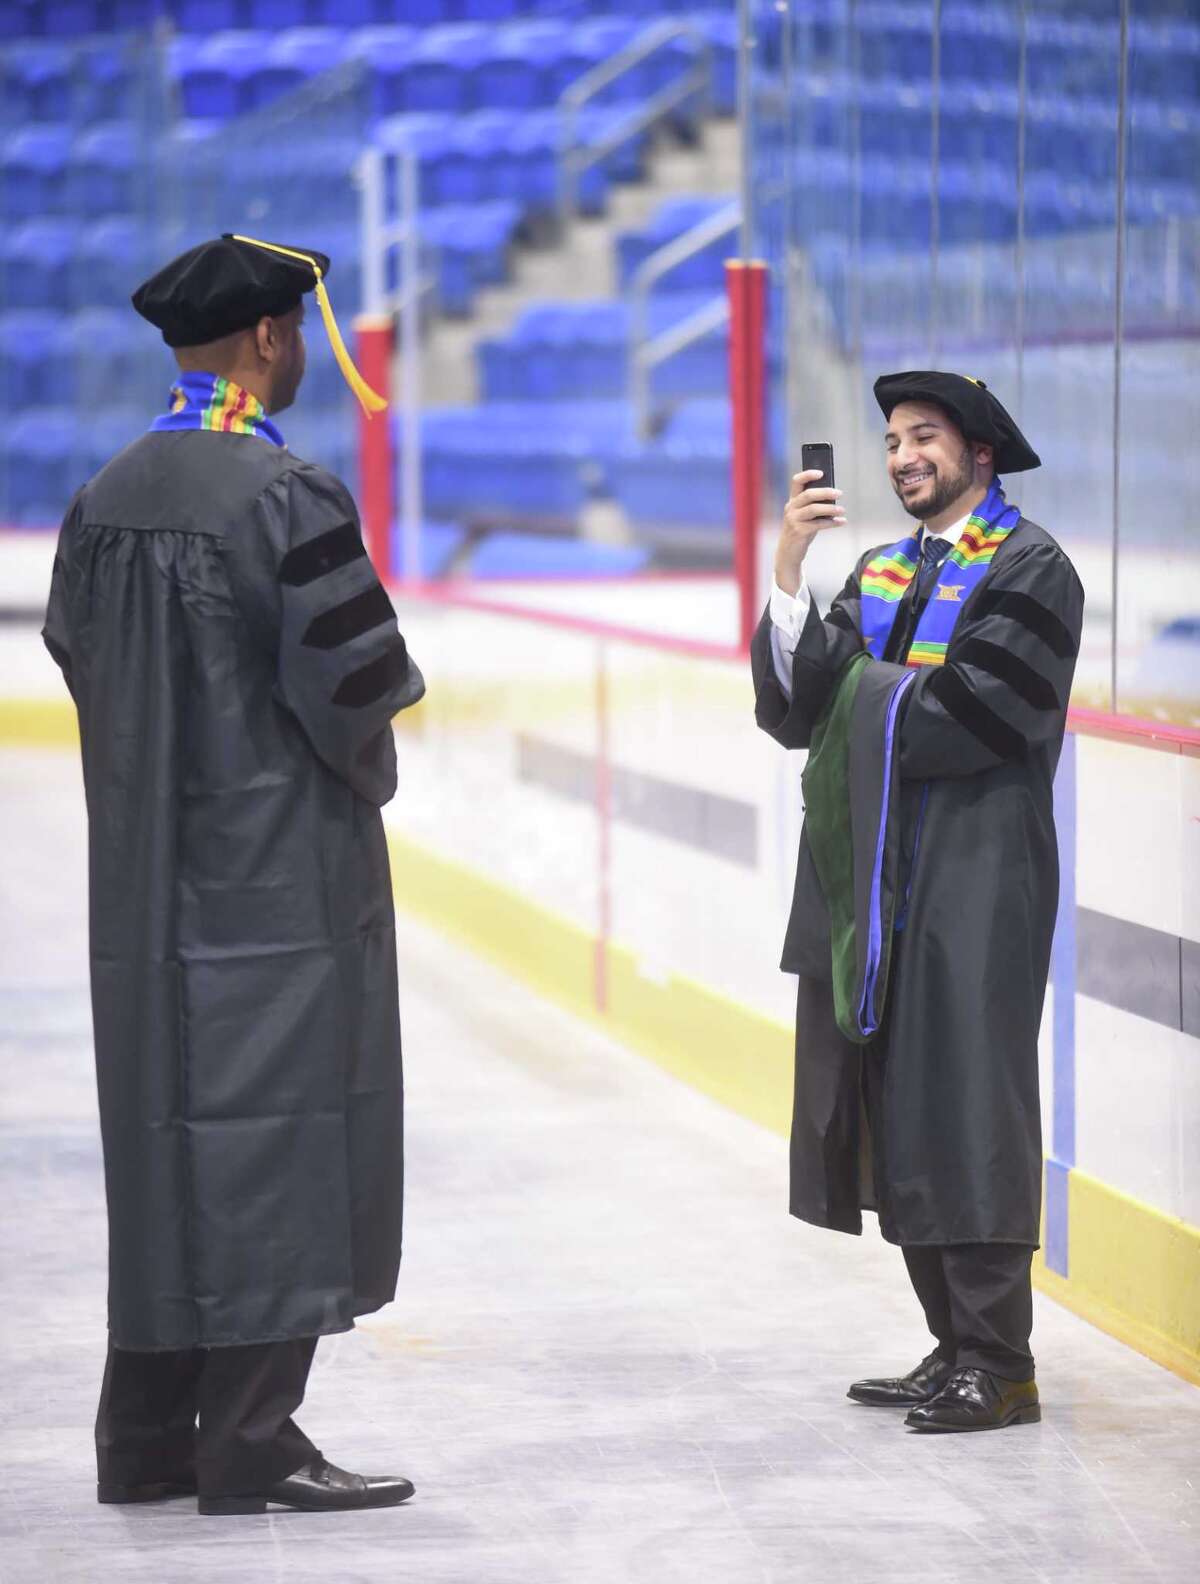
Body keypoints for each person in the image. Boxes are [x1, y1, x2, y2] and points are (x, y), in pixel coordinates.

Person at [42, 235, 425, 1514]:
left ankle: (145, 1438)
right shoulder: (283, 493)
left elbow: (77, 658)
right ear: (268, 339)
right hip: (275, 893)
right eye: (300, 335)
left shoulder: (105, 495)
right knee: (279, 1146)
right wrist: (350, 782)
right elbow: (357, 689)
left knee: (167, 1144)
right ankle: (252, 1442)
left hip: (143, 894)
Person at [751, 370, 1084, 1433]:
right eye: (892, 439)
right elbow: (800, 713)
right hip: (878, 878)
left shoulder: (1031, 568)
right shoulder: (883, 572)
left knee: (971, 1100)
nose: (902, 457)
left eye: (924, 436)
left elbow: (981, 718)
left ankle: (1004, 1362)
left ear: (980, 452)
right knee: (896, 1096)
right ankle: (952, 1347)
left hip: (976, 872)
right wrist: (791, 572)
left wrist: (858, 687)